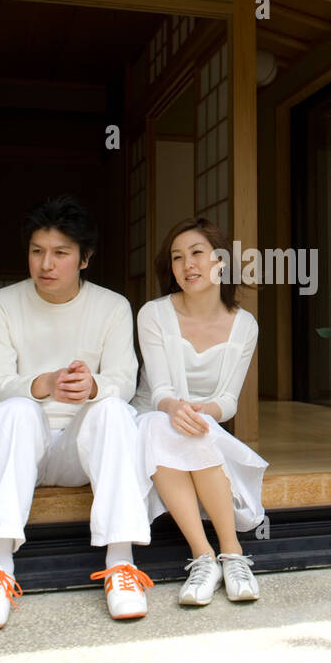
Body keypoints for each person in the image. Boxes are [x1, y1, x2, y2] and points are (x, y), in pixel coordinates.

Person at [0, 195, 153, 630]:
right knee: (14, 409)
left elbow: (124, 381)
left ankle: (121, 564)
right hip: (14, 444)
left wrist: (93, 386)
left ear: (85, 259)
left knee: (114, 410)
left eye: (60, 253)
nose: (45, 264)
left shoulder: (112, 306)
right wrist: (41, 384)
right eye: (37, 251)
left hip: (77, 452)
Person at [132, 216, 268, 607]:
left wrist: (198, 411)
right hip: (152, 417)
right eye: (177, 258)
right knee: (163, 424)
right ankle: (206, 556)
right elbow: (161, 391)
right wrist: (177, 409)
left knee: (197, 426)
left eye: (196, 253)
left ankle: (232, 555)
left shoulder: (244, 325)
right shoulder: (154, 314)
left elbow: (228, 401)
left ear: (220, 261)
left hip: (203, 425)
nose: (187, 265)